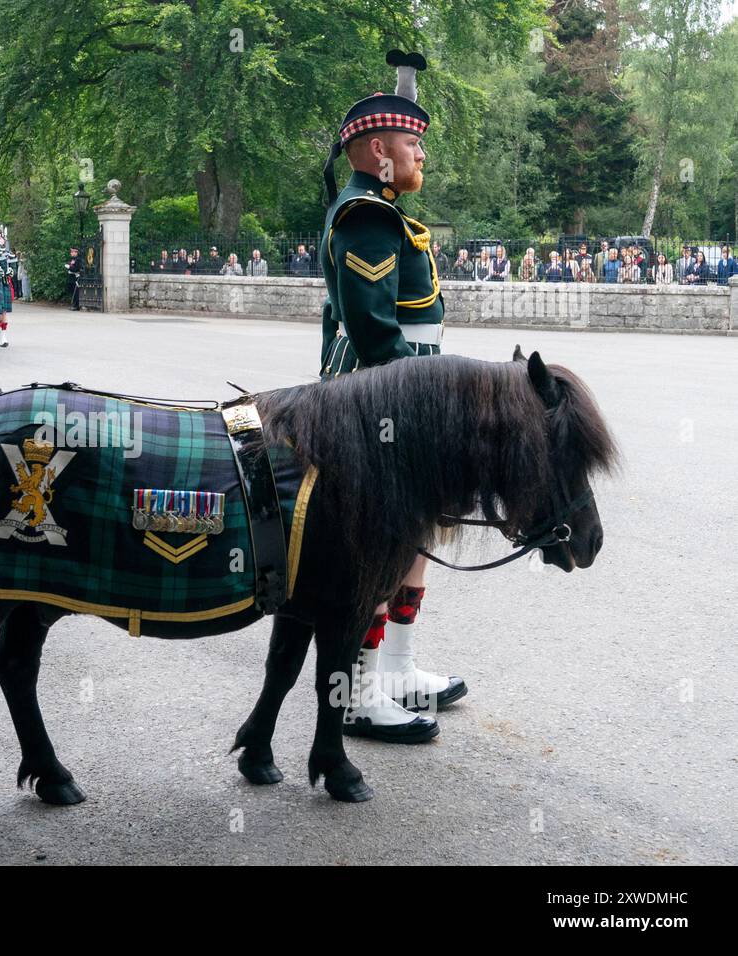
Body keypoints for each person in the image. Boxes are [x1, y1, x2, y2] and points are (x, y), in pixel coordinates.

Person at [318, 49, 465, 743]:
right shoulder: (365, 217)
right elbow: (375, 333)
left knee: (413, 535)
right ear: (378, 150)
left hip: (406, 395)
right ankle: (359, 689)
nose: (420, 157)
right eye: (412, 144)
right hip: (378, 399)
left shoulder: (387, 213)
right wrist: (434, 393)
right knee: (380, 541)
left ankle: (399, 668)